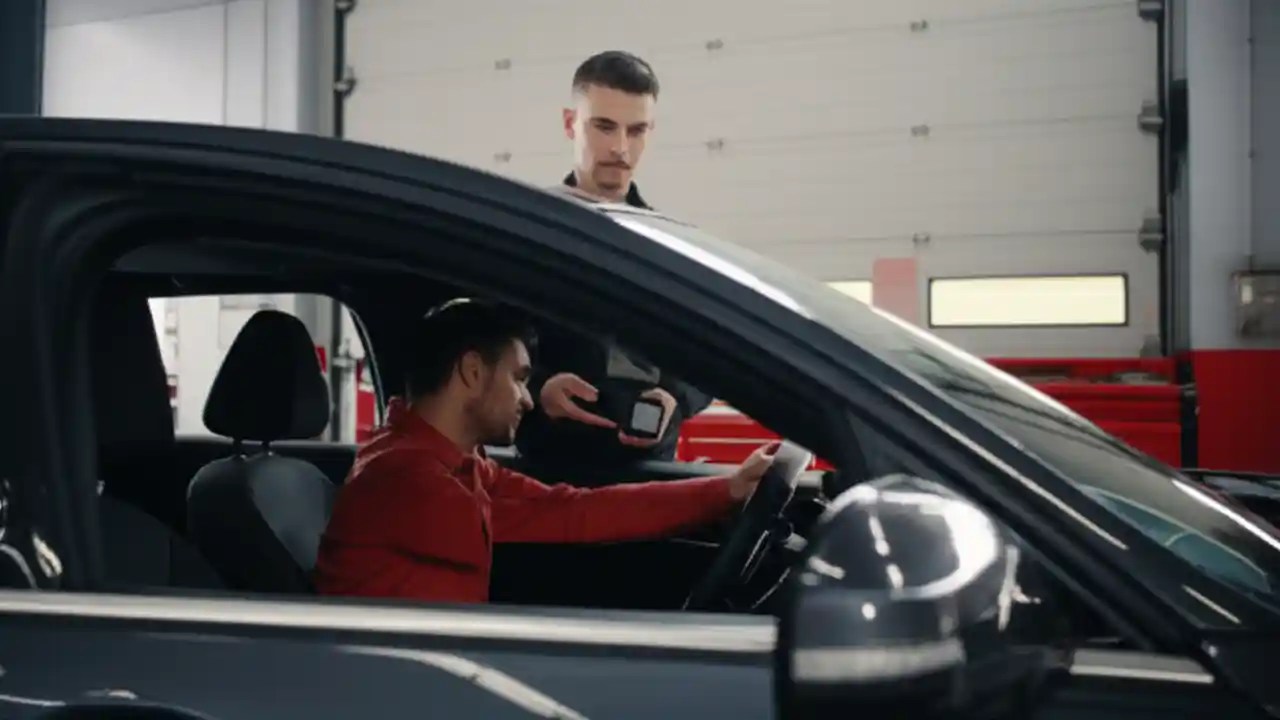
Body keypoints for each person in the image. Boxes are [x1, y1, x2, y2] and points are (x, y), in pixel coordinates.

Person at [313, 299, 777, 604]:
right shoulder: (404, 478)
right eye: (518, 378)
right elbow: (565, 519)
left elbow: (572, 507)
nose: (529, 398)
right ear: (472, 372)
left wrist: (727, 490)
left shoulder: (450, 464)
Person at [515, 50, 713, 469]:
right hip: (548, 473)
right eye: (604, 127)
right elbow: (483, 342)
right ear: (571, 124)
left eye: (636, 130)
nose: (621, 148)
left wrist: (676, 399)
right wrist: (537, 387)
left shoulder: (671, 245)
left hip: (649, 475)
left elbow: (710, 355)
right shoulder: (527, 233)